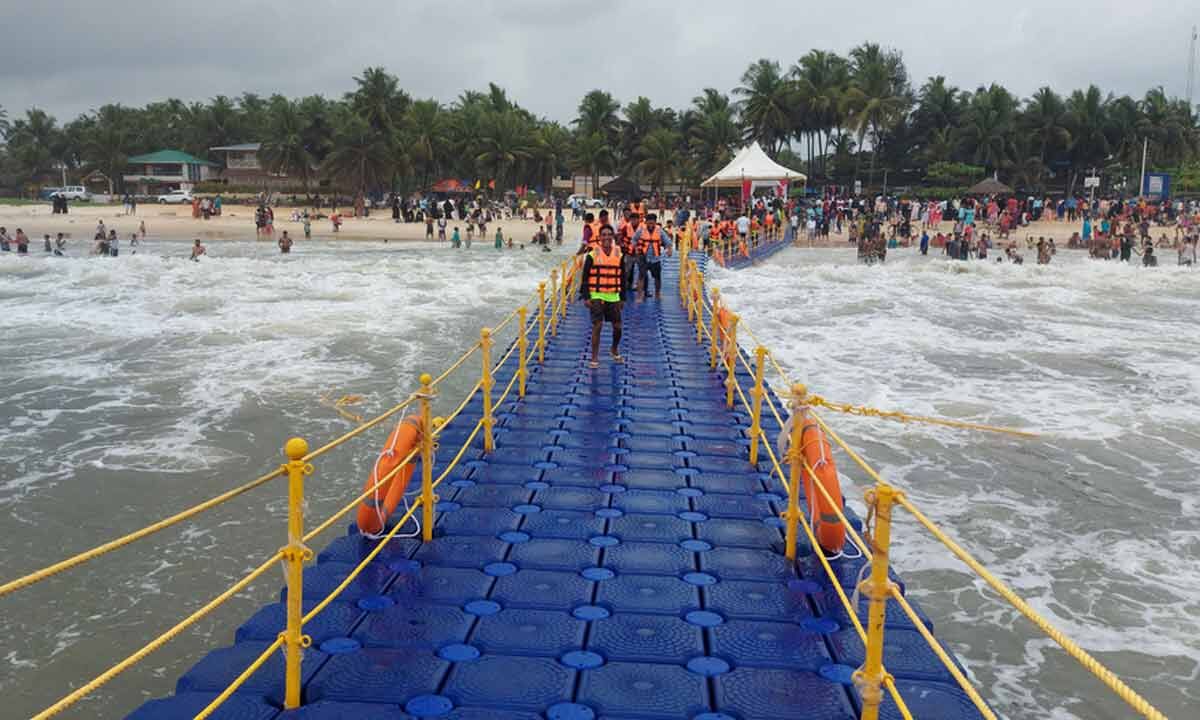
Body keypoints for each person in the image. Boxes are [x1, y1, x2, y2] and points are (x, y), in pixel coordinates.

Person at [579, 224, 625, 369]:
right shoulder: (592, 254)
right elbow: (585, 277)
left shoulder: (619, 254)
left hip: (613, 295)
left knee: (618, 327)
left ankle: (614, 348)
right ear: (599, 238)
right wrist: (586, 296)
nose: (606, 237)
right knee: (597, 326)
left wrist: (622, 297)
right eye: (603, 235)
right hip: (596, 294)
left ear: (612, 237)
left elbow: (623, 277)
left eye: (609, 235)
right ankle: (594, 357)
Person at [632, 213, 671, 299]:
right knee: (641, 276)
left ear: (655, 222)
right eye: (649, 223)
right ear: (646, 222)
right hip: (643, 257)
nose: (650, 225)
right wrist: (635, 249)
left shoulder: (660, 230)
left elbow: (667, 241)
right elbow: (634, 239)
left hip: (655, 258)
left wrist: (669, 249)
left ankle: (657, 293)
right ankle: (639, 296)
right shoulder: (641, 230)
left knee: (657, 278)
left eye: (652, 223)